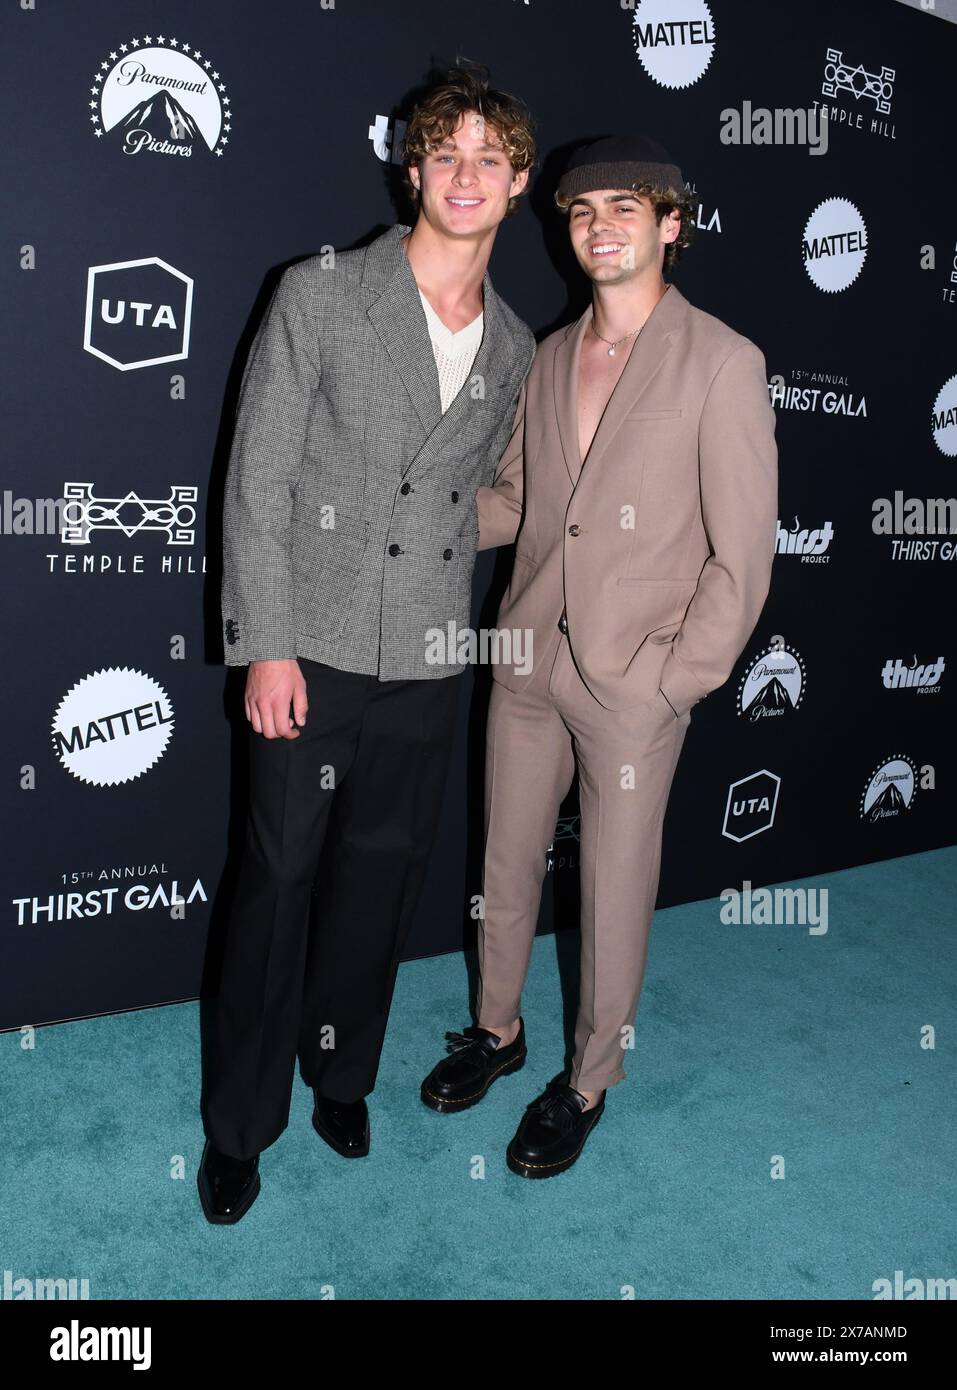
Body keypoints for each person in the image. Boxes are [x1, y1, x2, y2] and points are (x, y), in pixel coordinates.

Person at [199, 65, 537, 1222]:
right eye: (447, 154)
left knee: (377, 884)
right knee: (277, 881)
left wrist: (458, 526)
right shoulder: (323, 293)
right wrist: (268, 645)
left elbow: (495, 493)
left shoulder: (517, 348)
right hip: (316, 645)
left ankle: (340, 1071)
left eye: (490, 160)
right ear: (413, 168)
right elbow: (257, 480)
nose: (466, 176)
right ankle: (240, 1127)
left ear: (518, 184)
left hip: (431, 656)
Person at [421, 135, 778, 1178]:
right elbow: (523, 501)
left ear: (673, 224)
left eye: (627, 207)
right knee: (503, 863)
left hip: (636, 682)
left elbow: (743, 558)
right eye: (582, 213)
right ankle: (498, 1029)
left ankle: (586, 1079)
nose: (602, 227)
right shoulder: (543, 356)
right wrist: (417, 520)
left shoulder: (723, 360)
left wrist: (675, 681)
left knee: (615, 888)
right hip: (527, 654)